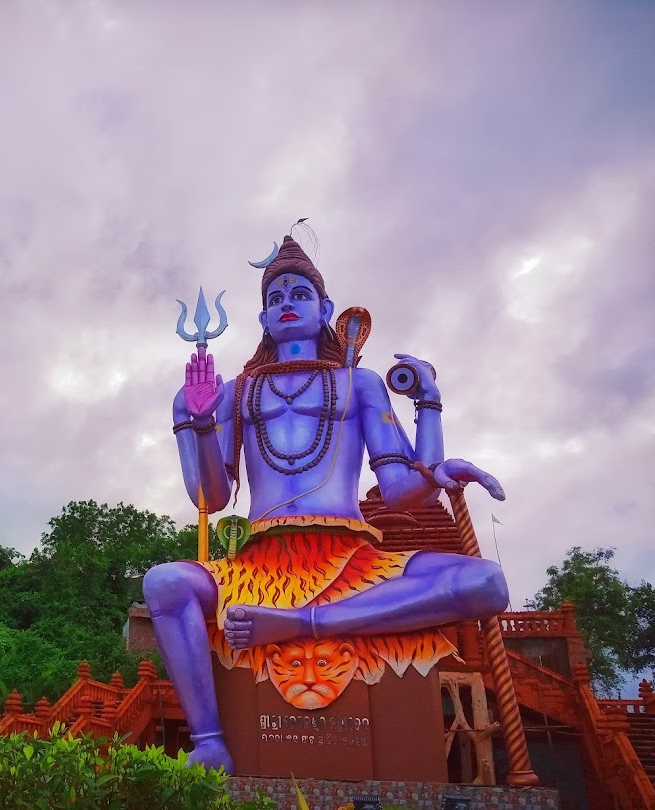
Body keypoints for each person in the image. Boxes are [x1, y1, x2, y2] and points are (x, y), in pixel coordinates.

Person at [143, 235, 508, 772]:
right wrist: (195, 424)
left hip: (349, 553)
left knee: (486, 584)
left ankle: (302, 621)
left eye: (300, 292)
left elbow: (404, 489)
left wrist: (429, 411)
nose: (286, 301)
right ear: (263, 319)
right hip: (261, 562)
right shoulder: (236, 392)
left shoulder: (358, 384)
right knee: (165, 583)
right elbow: (211, 497)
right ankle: (210, 741)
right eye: (275, 297)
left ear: (326, 310)